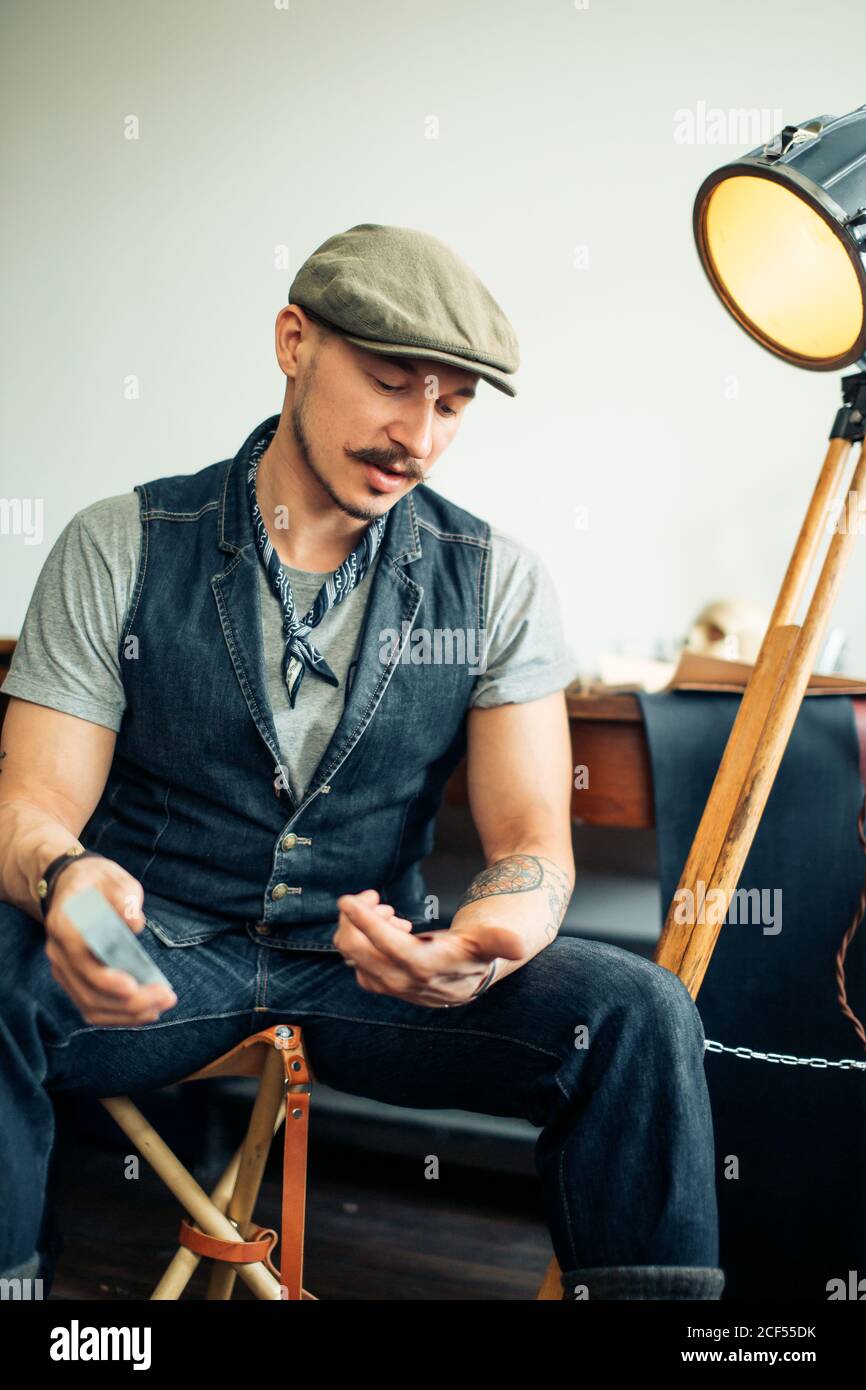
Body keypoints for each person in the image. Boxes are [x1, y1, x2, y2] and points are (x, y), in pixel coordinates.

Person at [0, 222, 724, 1300]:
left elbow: (533, 848)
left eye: (451, 404)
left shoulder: (497, 582)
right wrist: (70, 887)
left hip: (363, 971)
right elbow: (28, 812)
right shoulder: (123, 542)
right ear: (293, 342)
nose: (417, 437)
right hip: (154, 960)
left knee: (636, 1011)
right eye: (390, 383)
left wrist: (485, 940)